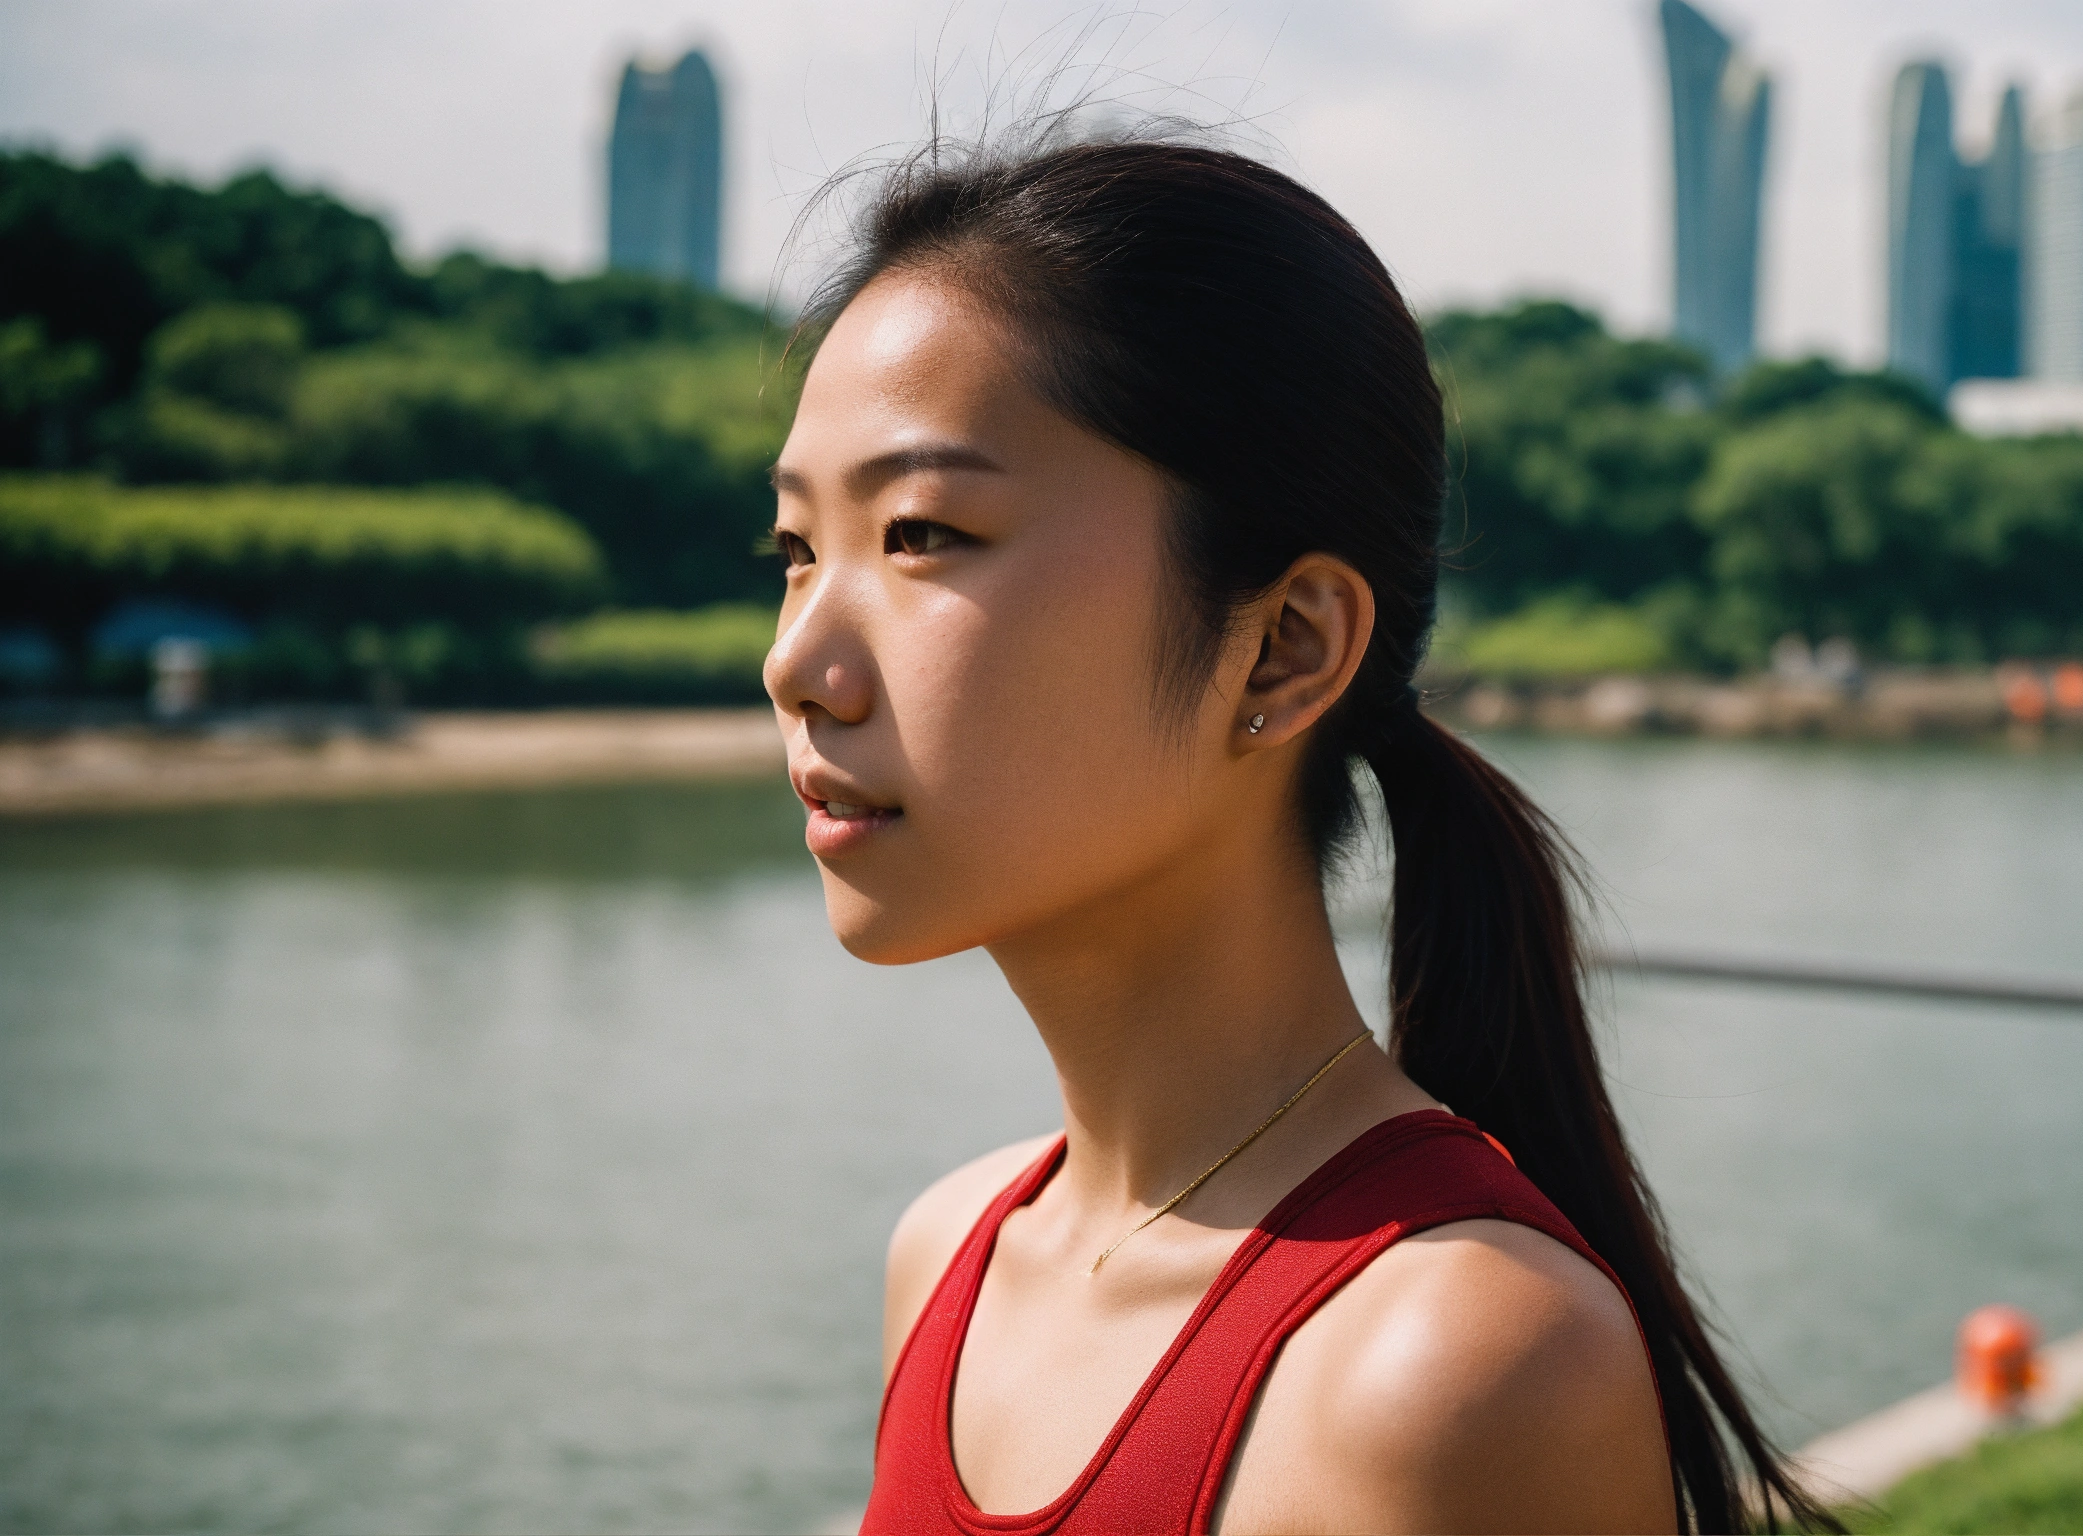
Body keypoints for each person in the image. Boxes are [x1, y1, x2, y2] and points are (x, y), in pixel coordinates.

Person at [763, 133, 1829, 1535]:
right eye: (793, 551)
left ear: (1282, 651)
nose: (799, 662)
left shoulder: (1455, 1364)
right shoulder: (948, 1255)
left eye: (920, 536)